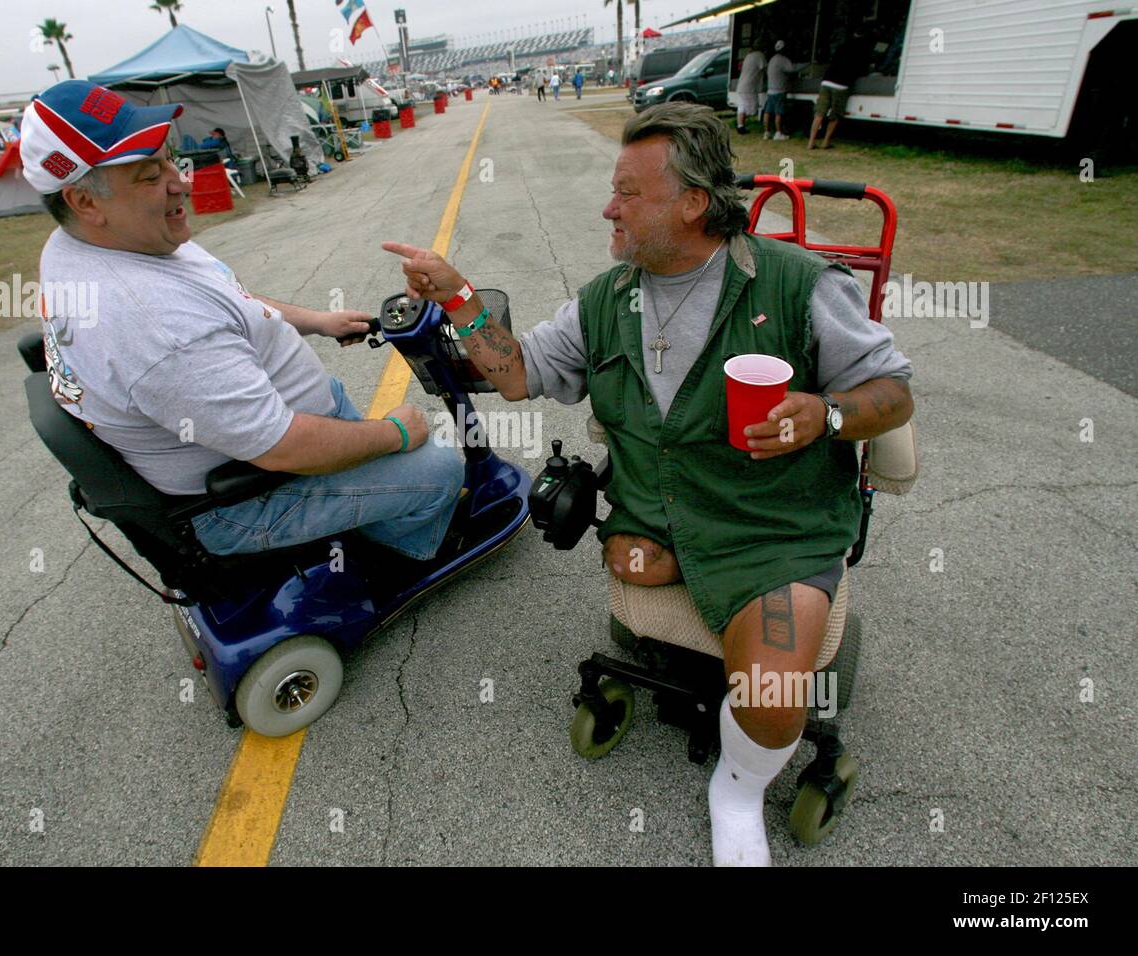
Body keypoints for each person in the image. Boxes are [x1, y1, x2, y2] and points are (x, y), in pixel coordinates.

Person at [382, 103, 913, 866]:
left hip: (771, 526)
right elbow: (519, 374)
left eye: (627, 193)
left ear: (693, 202)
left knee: (770, 699)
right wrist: (459, 298)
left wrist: (825, 416)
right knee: (633, 562)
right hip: (655, 513)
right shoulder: (605, 300)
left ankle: (736, 794)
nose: (609, 208)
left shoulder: (799, 284)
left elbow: (893, 393)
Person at [21, 81, 463, 564]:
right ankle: (395, 557)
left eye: (170, 160)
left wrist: (318, 321)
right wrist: (397, 432)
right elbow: (281, 447)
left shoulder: (98, 242)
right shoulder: (152, 323)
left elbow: (225, 298)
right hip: (251, 494)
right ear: (85, 202)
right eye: (150, 176)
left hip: (271, 443)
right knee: (440, 466)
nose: (181, 182)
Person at [809, 31, 872, 149]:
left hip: (827, 80)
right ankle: (825, 142)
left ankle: (811, 142)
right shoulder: (862, 49)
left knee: (819, 113)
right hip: (841, 84)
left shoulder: (841, 46)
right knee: (835, 115)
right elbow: (862, 69)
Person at [763, 41, 799, 141]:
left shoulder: (772, 60)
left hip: (770, 90)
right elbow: (792, 71)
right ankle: (778, 133)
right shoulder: (784, 60)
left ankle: (766, 132)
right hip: (779, 90)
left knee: (768, 112)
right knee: (778, 112)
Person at [735, 44, 767, 133]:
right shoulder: (760, 55)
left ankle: (740, 126)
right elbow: (764, 68)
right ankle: (746, 124)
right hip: (750, 86)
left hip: (741, 85)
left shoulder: (748, 55)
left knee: (742, 106)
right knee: (752, 109)